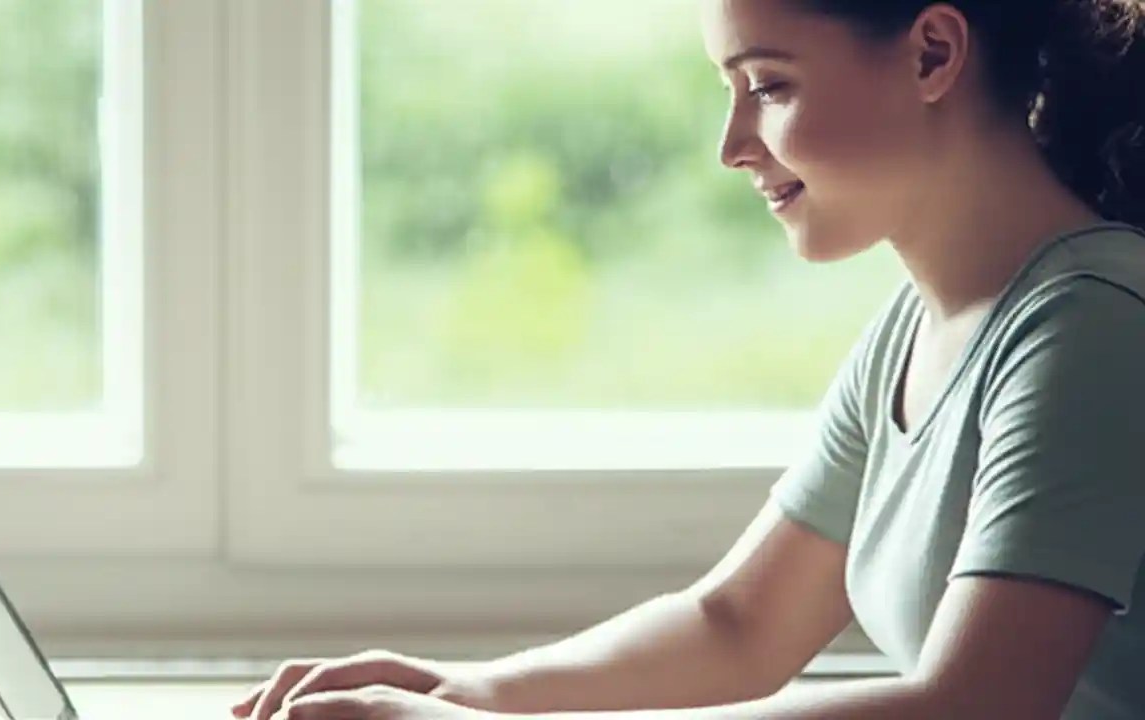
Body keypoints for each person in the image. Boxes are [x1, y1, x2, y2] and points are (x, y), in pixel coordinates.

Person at [232, 1, 1145, 718]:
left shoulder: (1090, 324)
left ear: (932, 55)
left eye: (770, 86)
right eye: (730, 88)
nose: (732, 146)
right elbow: (740, 625)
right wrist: (473, 690)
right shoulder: (921, 330)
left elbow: (971, 709)